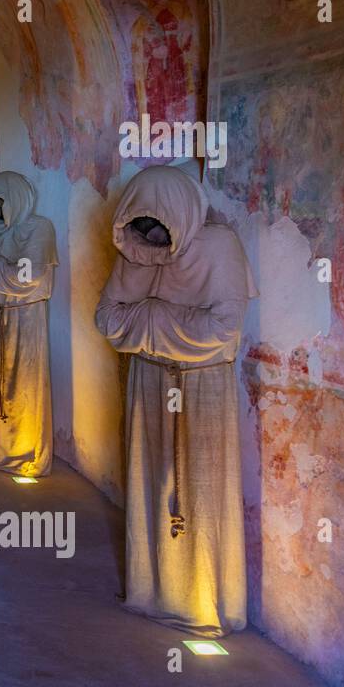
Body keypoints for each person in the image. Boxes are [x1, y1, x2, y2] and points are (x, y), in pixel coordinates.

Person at [96, 164, 256, 636]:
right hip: (147, 382)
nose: (153, 244)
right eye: (143, 229)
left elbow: (223, 332)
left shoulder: (219, 247)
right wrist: (172, 325)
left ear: (181, 216)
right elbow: (107, 320)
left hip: (204, 388)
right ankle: (151, 590)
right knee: (150, 484)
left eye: (159, 229)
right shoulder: (138, 250)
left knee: (201, 493)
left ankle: (203, 601)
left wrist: (147, 320)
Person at [0, 171, 58, 477]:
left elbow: (27, 277)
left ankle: (26, 452)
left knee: (24, 384)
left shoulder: (38, 228)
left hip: (26, 319)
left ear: (15, 202)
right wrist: (2, 271)